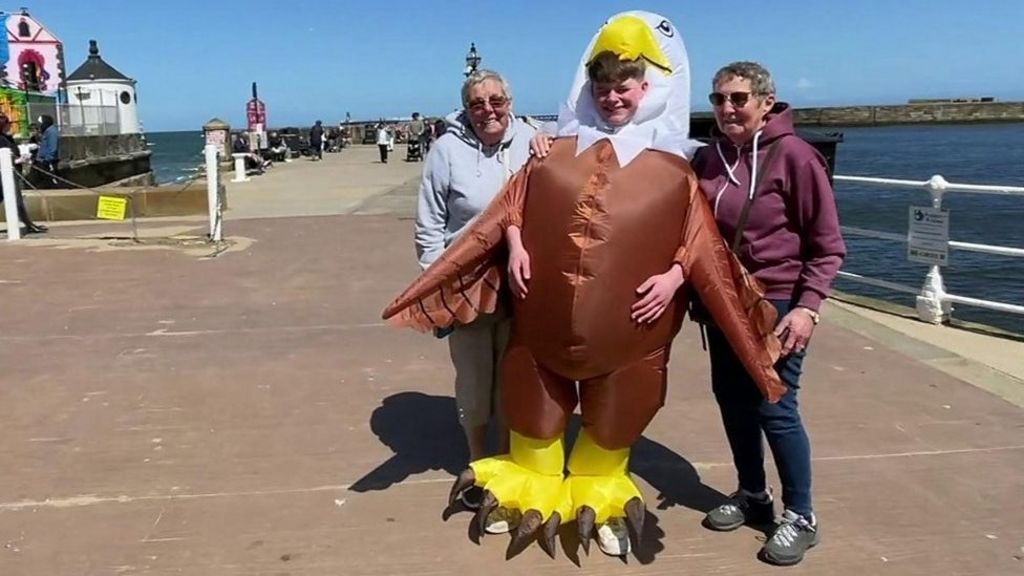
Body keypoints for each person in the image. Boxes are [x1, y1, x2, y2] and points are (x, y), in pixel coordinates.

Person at [384, 12, 784, 559]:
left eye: (624, 87)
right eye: (603, 88)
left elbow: (701, 245)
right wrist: (515, 242)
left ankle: (600, 480)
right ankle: (532, 475)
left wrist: (677, 276)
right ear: (587, 88)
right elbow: (508, 208)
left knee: (625, 394)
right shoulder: (549, 151)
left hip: (633, 330)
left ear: (648, 88)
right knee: (529, 383)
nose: (613, 97)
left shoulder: (677, 170)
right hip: (539, 324)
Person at [692, 61, 846, 566]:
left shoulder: (795, 156)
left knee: (775, 408)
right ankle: (753, 494)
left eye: (738, 98)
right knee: (732, 400)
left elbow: (828, 245)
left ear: (765, 102)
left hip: (777, 302)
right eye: (718, 99)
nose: (727, 108)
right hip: (724, 301)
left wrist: (807, 308)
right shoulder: (708, 157)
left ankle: (801, 515)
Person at [413, 70, 535, 510]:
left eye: (496, 101)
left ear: (510, 102)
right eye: (477, 104)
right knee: (475, 377)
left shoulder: (533, 139)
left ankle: (506, 460)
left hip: (522, 281)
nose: (488, 110)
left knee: (514, 375)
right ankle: (479, 461)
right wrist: (436, 282)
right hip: (467, 283)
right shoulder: (446, 150)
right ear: (466, 109)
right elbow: (429, 224)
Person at [0, 113, 47, 234]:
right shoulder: (1, 139)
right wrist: (18, 160)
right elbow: (4, 156)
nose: (10, 126)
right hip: (5, 174)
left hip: (10, 172)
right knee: (17, 200)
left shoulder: (6, 137)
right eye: (8, 124)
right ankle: (29, 224)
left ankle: (28, 223)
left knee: (14, 199)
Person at [35, 114, 59, 188]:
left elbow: (53, 148)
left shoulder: (51, 131)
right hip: (43, 160)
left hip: (47, 161)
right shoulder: (47, 131)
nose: (39, 125)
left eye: (40, 123)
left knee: (49, 181)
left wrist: (47, 160)